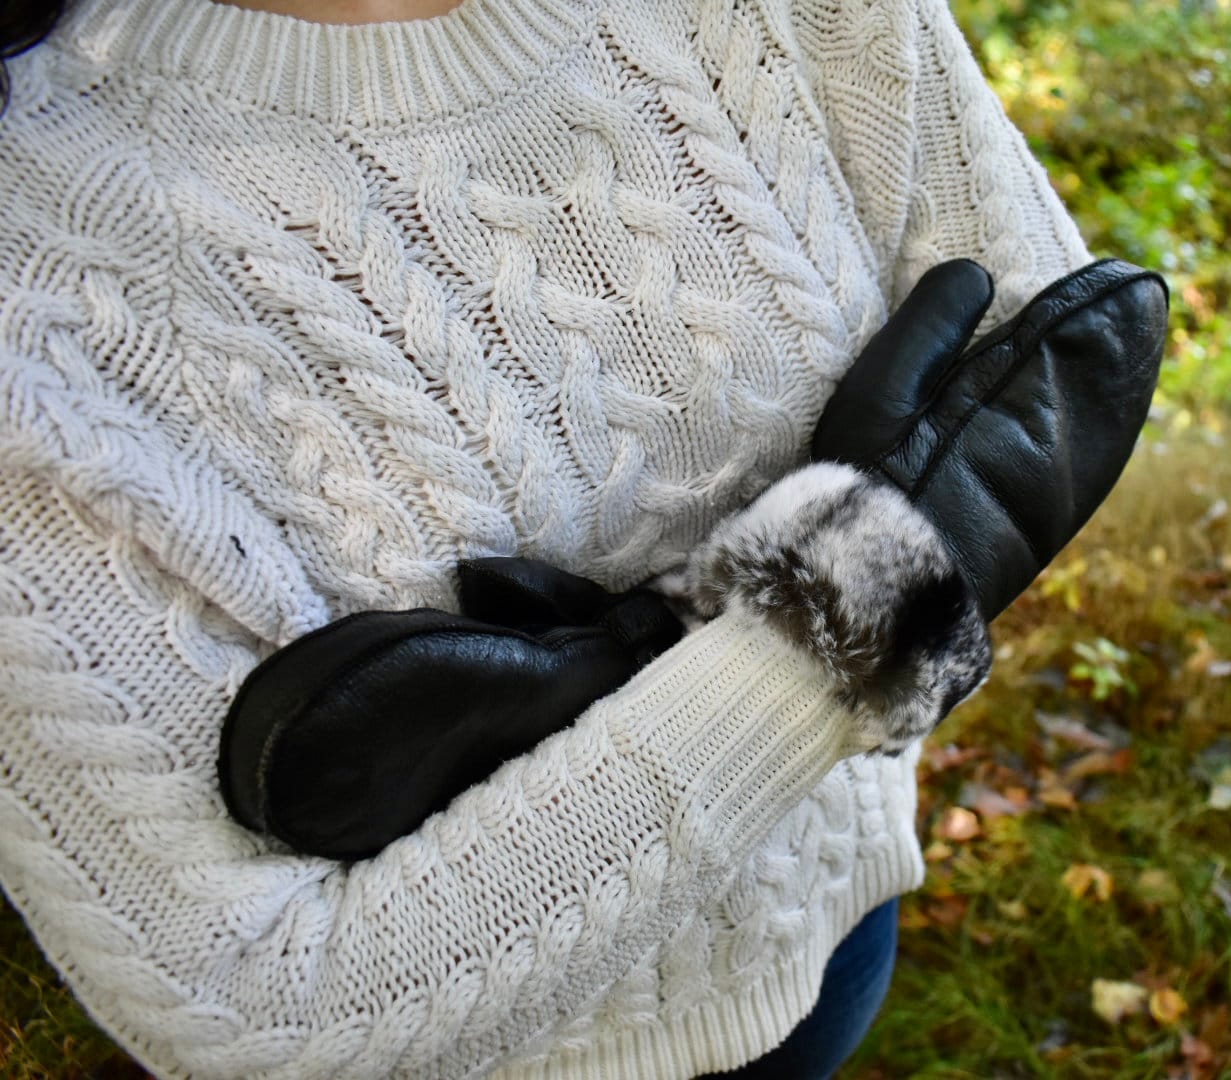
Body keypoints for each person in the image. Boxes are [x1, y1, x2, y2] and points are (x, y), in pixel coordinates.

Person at [0, 0, 1110, 1076]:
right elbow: (253, 994)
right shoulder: (39, 269)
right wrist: (832, 626)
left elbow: (1061, 355)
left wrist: (757, 650)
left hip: (837, 902)